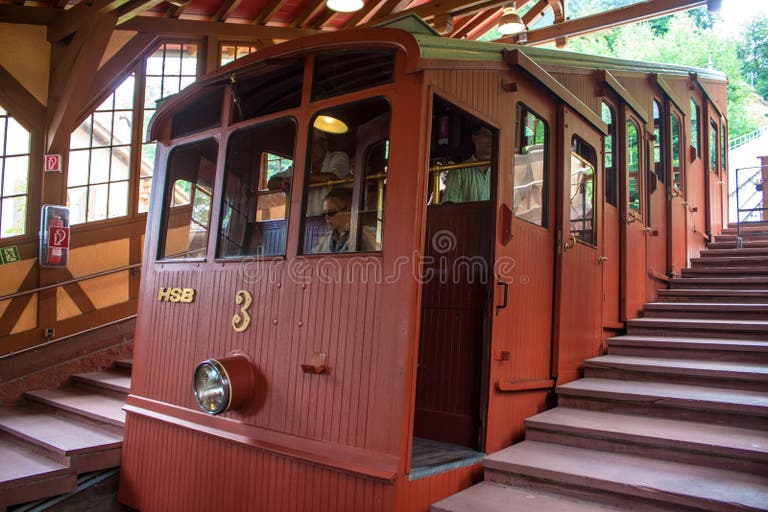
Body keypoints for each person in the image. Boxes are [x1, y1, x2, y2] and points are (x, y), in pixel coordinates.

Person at [268, 130, 350, 214]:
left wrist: (295, 181)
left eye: (313, 145)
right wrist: (283, 182)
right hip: (306, 222)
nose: (308, 150)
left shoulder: (339, 157)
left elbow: (331, 177)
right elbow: (271, 183)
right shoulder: (301, 164)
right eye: (305, 146)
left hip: (332, 218)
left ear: (324, 145)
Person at [313, 188, 379, 254]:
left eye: (331, 213)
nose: (326, 217)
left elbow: (380, 250)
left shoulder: (366, 233)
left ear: (348, 211)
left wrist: (359, 229)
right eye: (324, 214)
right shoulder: (325, 240)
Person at [441, 125, 493, 203]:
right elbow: (449, 206)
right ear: (474, 138)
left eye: (493, 136)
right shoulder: (459, 171)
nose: (491, 140)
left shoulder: (500, 173)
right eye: (486, 135)